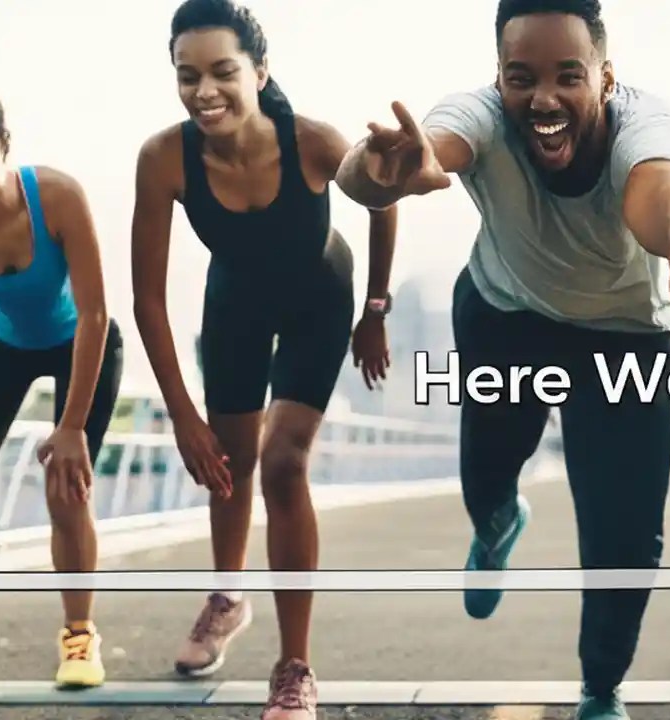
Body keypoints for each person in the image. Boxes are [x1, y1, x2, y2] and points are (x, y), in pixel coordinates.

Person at [334, 1, 670, 716]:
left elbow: (661, 196)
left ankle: (600, 690)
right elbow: (408, 160)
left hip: (621, 335)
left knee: (626, 538)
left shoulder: (649, 127)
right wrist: (381, 173)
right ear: (498, 78)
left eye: (568, 77)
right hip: (506, 317)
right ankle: (496, 521)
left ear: (605, 78)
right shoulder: (478, 114)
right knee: (487, 472)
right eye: (521, 77)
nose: (544, 99)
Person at [130, 1, 397, 717]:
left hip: (320, 300)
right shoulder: (163, 159)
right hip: (236, 306)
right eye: (188, 76)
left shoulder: (311, 141)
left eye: (222, 72)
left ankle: (294, 667)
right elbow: (149, 302)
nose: (204, 91)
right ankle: (227, 596)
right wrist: (185, 417)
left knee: (283, 464)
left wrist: (376, 310)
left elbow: (381, 196)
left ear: (260, 71)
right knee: (228, 464)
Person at [0, 93, 122, 690]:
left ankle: (79, 637)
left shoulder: (56, 196)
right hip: (6, 346)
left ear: (5, 146)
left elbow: (96, 313)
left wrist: (70, 427)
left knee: (65, 489)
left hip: (82, 339)